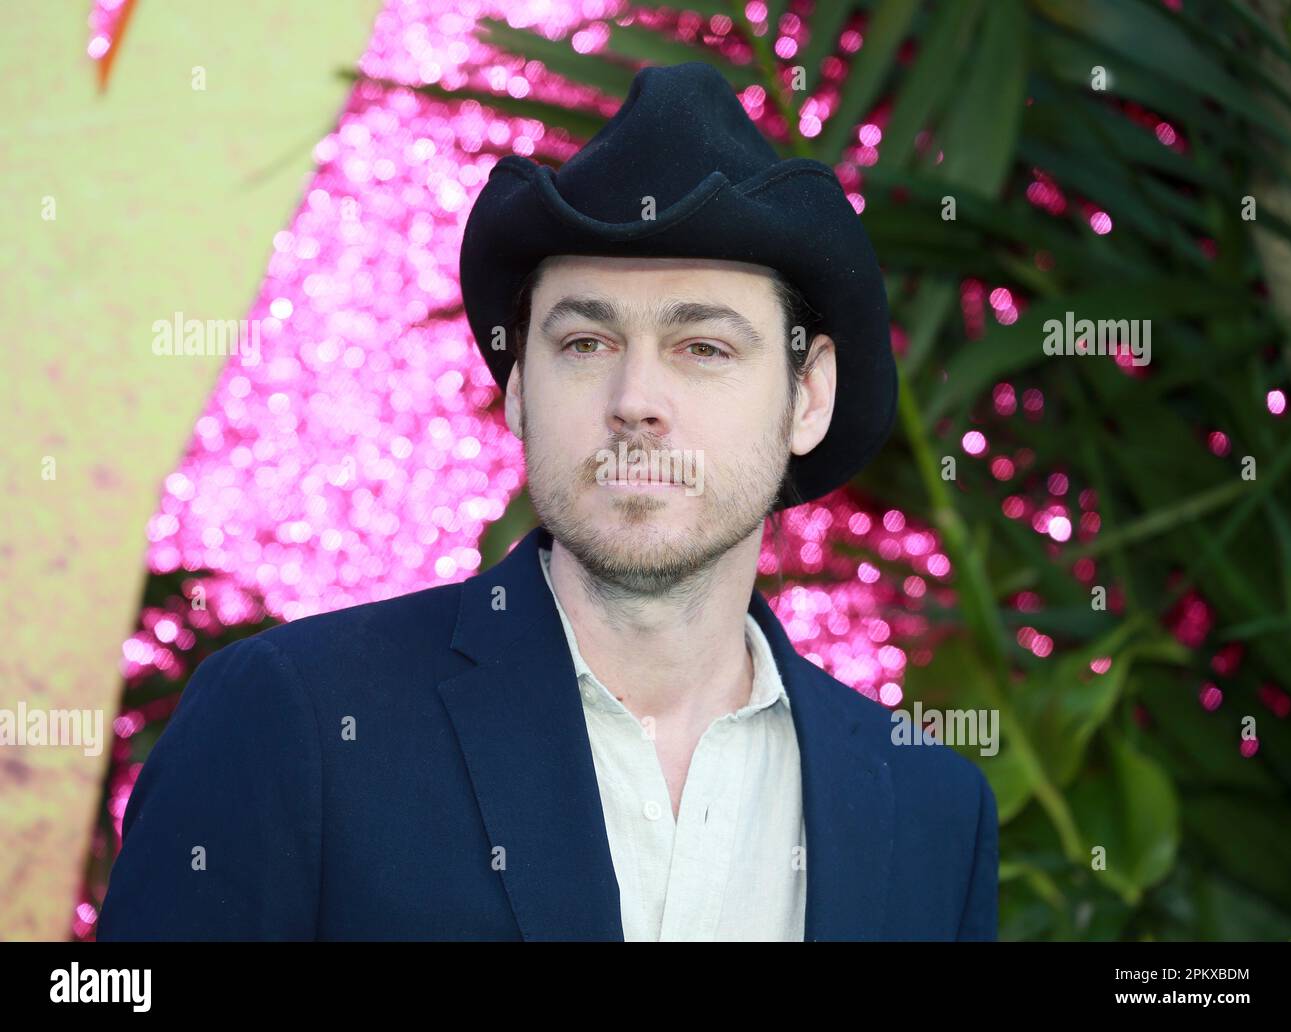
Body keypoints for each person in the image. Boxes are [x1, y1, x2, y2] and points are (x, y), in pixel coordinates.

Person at [98, 62, 997, 942]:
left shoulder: (932, 817)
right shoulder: (290, 723)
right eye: (586, 341)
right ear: (520, 385)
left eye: (705, 348)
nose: (636, 397)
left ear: (809, 397)